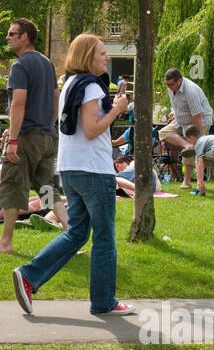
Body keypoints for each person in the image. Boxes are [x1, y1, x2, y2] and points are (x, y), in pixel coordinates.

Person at [11, 33, 133, 316]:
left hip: (70, 168)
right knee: (104, 237)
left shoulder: (70, 84)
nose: (107, 57)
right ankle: (104, 302)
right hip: (94, 170)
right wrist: (117, 109)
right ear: (88, 56)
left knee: (78, 232)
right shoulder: (91, 86)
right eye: (102, 53)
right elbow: (91, 130)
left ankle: (29, 276)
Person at [0, 17, 58, 255]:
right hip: (47, 136)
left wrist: (13, 139)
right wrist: (49, 125)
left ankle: (5, 242)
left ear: (24, 37)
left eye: (11, 34)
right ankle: (70, 235)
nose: (7, 38)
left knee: (13, 186)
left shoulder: (20, 65)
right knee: (47, 189)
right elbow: (56, 97)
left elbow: (18, 104)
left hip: (26, 137)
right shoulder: (47, 63)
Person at [156, 67, 214, 168]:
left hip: (199, 121)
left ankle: (189, 181)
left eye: (171, 84)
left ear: (179, 80)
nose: (169, 87)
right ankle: (187, 146)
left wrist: (193, 138)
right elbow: (179, 104)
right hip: (182, 121)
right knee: (163, 133)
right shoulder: (171, 88)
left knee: (190, 154)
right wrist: (174, 113)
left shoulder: (190, 91)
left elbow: (197, 116)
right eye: (167, 84)